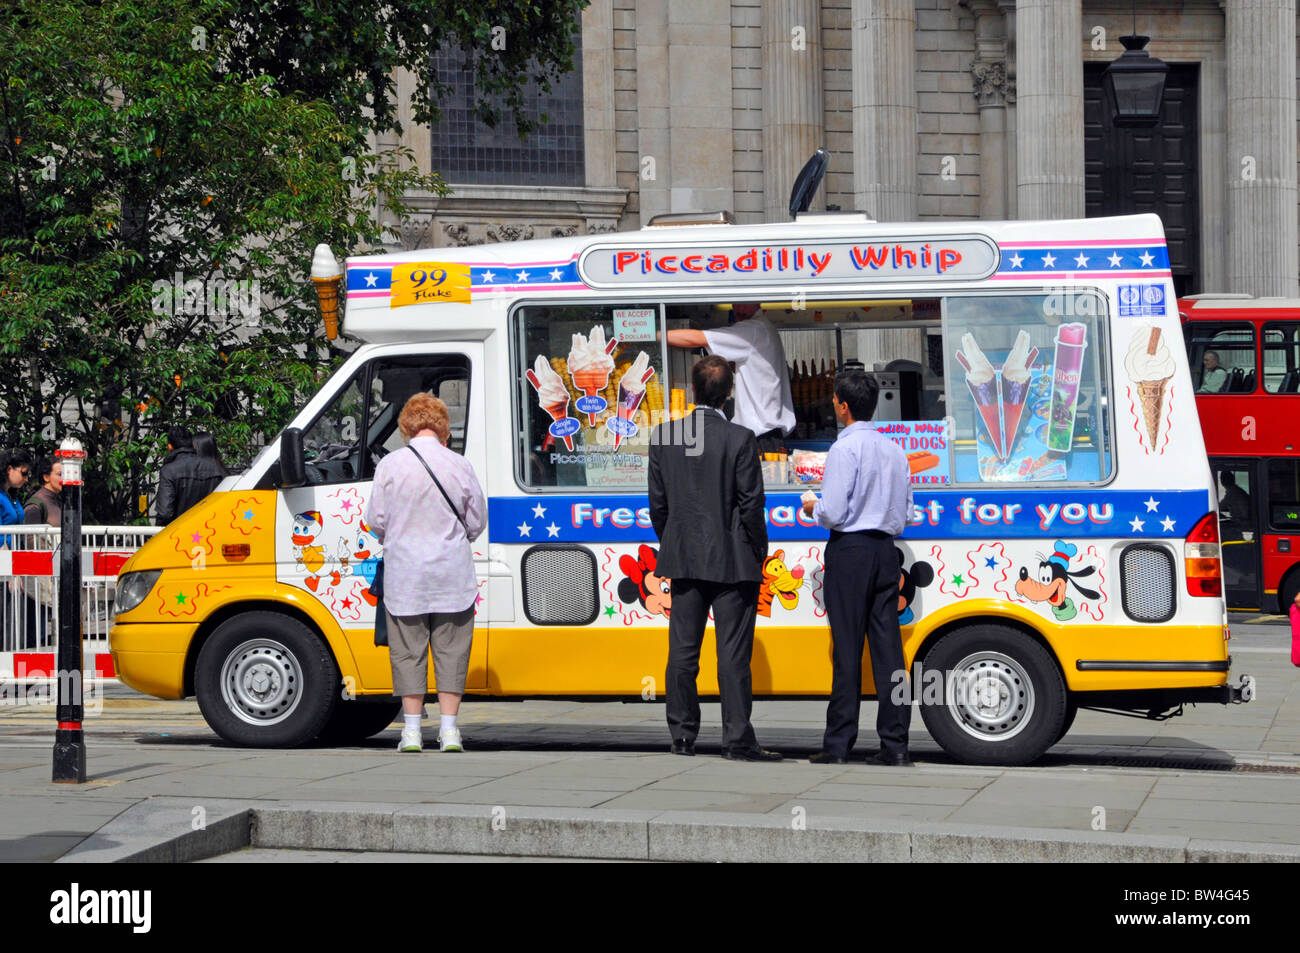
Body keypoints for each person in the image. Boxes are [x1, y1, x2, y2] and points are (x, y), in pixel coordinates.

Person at [649, 355, 781, 761]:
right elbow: (751, 504)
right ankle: (737, 739)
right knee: (733, 653)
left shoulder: (664, 436)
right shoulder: (740, 438)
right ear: (728, 394)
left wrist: (674, 539)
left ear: (692, 391)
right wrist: (758, 549)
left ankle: (683, 735)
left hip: (685, 559)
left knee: (683, 651)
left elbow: (659, 505)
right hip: (733, 560)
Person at [802, 368, 915, 766]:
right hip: (886, 550)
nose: (833, 404)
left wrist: (812, 506)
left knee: (847, 648)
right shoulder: (895, 450)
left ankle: (838, 744)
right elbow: (906, 512)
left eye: (835, 399)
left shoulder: (843, 449)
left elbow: (832, 511)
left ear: (843, 406)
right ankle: (896, 744)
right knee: (889, 651)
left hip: (849, 550)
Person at [368, 393, 486, 753]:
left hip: (406, 576)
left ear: (405, 426)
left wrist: (401, 537)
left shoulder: (389, 466)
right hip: (452, 575)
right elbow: (477, 518)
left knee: (408, 653)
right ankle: (450, 731)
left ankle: (412, 733)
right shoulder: (458, 463)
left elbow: (377, 521)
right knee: (451, 652)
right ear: (442, 427)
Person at [665, 301, 795, 452]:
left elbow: (697, 338)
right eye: (735, 303)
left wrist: (654, 334)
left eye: (744, 303)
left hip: (760, 438)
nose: (738, 309)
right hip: (768, 435)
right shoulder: (764, 328)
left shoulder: (752, 330)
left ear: (757, 301)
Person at [155, 426, 225, 525]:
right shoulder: (216, 468)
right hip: (210, 529)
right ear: (192, 444)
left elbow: (165, 512)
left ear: (170, 447)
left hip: (180, 533)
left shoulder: (169, 470)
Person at [23, 457, 61, 526]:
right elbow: (29, 536)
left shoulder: (60, 500)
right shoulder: (34, 507)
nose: (65, 478)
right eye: (60, 474)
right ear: (46, 477)